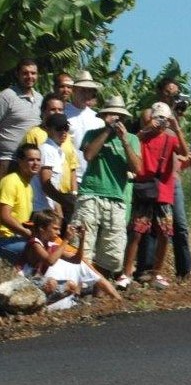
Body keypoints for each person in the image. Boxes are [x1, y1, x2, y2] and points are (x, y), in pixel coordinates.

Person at [71, 96, 141, 279]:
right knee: (82, 245)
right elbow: (88, 155)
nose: (116, 119)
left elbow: (137, 168)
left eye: (119, 116)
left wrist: (124, 140)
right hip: (90, 194)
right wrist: (107, 131)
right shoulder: (93, 134)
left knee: (112, 253)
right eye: (112, 115)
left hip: (116, 198)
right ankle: (79, 287)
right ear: (104, 116)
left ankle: (98, 288)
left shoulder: (132, 139)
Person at [121, 102, 187, 289]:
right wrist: (145, 130)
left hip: (163, 190)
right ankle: (126, 273)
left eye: (164, 119)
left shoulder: (170, 138)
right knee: (136, 232)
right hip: (144, 188)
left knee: (165, 233)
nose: (161, 123)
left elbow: (184, 152)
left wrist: (177, 129)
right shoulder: (142, 138)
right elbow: (131, 143)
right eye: (158, 118)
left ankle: (156, 274)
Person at [137, 78, 191, 280]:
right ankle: (147, 269)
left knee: (180, 224)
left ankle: (184, 269)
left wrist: (176, 123)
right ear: (160, 92)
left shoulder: (174, 118)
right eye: (169, 92)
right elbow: (145, 135)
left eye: (176, 93)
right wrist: (160, 120)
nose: (172, 96)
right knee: (149, 226)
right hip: (153, 177)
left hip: (172, 176)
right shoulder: (150, 113)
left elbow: (183, 149)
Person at [20, 209, 120, 304]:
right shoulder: (34, 243)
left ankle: (48, 305)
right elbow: (50, 261)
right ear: (42, 229)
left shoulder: (50, 246)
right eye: (55, 229)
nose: (58, 233)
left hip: (40, 283)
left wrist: (82, 239)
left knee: (71, 286)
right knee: (52, 283)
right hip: (29, 283)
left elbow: (76, 260)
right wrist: (66, 239)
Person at [24, 94, 79, 220]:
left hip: (48, 208)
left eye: (66, 128)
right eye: (59, 128)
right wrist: (66, 202)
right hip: (39, 210)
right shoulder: (48, 150)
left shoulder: (57, 150)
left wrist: (58, 210)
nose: (63, 132)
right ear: (48, 130)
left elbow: (53, 185)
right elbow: (46, 184)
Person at [0, 144, 42, 261]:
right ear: (20, 161)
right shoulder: (11, 181)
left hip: (19, 238)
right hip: (5, 239)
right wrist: (27, 233)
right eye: (31, 160)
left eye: (38, 160)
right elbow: (4, 216)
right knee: (44, 253)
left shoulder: (28, 186)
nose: (35, 163)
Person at [0, 59, 42, 175]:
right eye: (25, 73)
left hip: (30, 162)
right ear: (17, 74)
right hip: (7, 160)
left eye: (33, 73)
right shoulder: (6, 96)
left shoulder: (40, 99)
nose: (29, 76)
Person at [66, 70, 105, 185]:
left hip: (90, 177)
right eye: (83, 90)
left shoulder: (98, 119)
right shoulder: (63, 113)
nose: (86, 94)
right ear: (74, 90)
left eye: (90, 91)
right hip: (67, 174)